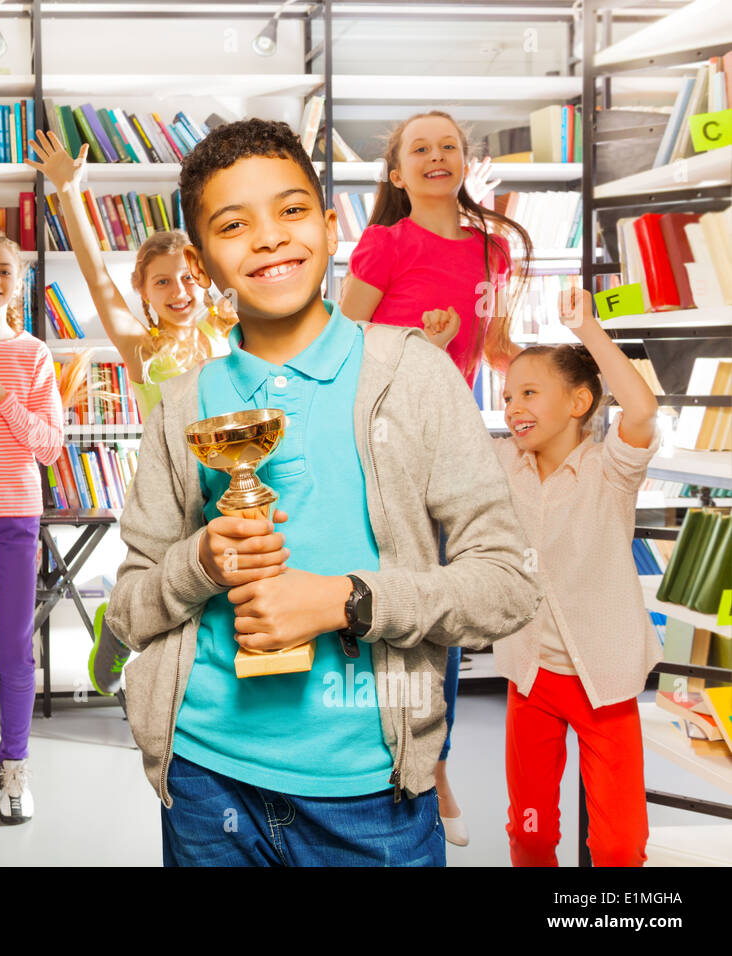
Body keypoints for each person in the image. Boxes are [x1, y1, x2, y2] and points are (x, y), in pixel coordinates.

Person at [105, 117, 542, 867]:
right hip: (209, 785)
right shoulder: (182, 408)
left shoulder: (414, 376)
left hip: (372, 794)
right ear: (204, 265)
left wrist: (347, 601)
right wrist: (201, 563)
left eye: (292, 210)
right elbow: (128, 609)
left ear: (332, 227)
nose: (269, 238)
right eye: (233, 225)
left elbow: (506, 586)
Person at [338, 110, 534, 845]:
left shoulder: (493, 251)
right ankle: (387, 751)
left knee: (445, 611)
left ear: (466, 162)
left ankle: (436, 756)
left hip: (454, 445)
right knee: (390, 596)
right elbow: (343, 342)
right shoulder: (385, 242)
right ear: (396, 174)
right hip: (384, 442)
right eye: (418, 148)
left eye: (448, 145)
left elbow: (503, 344)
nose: (436, 155)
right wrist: (419, 346)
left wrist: (565, 376)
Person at [25, 128, 236, 696]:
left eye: (191, 278)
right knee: (162, 583)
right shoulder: (142, 349)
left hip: (229, 480)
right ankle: (116, 627)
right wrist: (70, 192)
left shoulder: (229, 329)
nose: (180, 290)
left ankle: (202, 686)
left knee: (217, 590)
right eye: (163, 281)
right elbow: (95, 275)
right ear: (142, 289)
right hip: (166, 485)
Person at [495, 286, 660, 867]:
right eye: (508, 394)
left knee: (617, 845)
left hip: (604, 681)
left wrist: (589, 328)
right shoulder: (502, 463)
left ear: (580, 401)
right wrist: (441, 352)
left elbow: (640, 410)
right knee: (531, 831)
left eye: (530, 393)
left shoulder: (610, 471)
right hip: (530, 678)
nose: (513, 405)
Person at [0, 229, 65, 834]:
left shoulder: (33, 355)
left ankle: (14, 767)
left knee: (16, 651)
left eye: (3, 270)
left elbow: (49, 448)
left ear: (19, 282)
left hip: (18, 517)